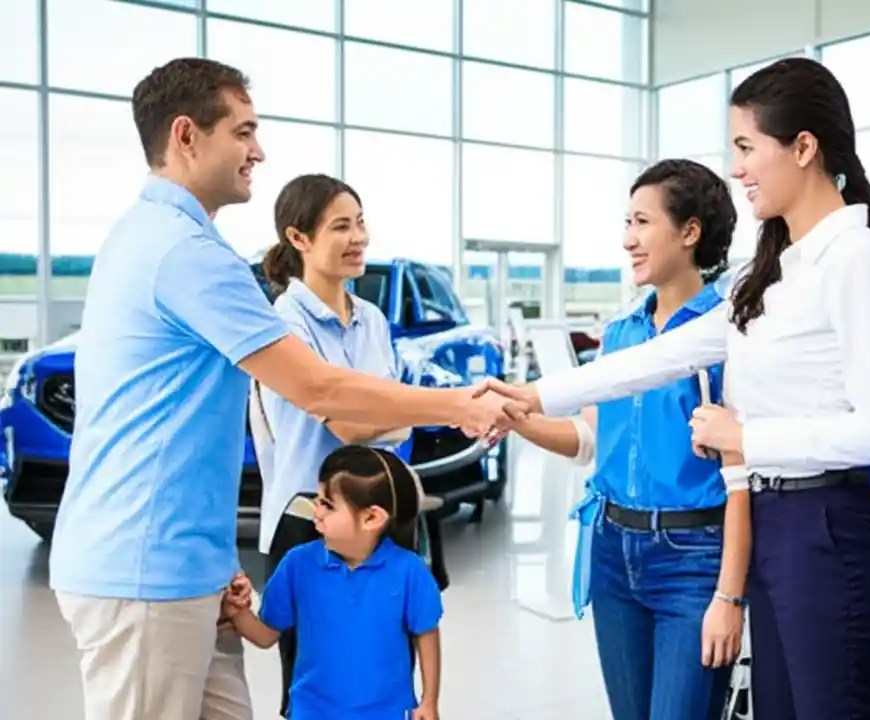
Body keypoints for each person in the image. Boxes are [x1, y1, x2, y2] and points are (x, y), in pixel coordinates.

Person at [48, 57, 521, 720]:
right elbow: (322, 391)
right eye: (243, 133)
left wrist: (215, 564)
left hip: (188, 567)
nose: (257, 151)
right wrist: (458, 405)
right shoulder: (187, 254)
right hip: (143, 571)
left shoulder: (153, 237)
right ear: (187, 136)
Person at [477, 57, 870, 719]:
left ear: (803, 148)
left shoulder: (857, 260)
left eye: (745, 148)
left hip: (828, 529)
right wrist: (532, 396)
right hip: (777, 523)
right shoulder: (769, 274)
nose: (736, 169)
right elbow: (657, 359)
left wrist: (745, 437)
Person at [508, 159, 746, 720]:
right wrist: (515, 418)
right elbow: (588, 438)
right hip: (613, 550)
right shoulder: (620, 336)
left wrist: (729, 597)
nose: (627, 240)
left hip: (693, 560)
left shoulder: (729, 336)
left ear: (690, 233)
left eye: (641, 223)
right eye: (627, 222)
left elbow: (742, 480)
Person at [249, 172, 450, 717]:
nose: (359, 236)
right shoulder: (283, 323)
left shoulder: (373, 320)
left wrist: (390, 413)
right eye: (342, 225)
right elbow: (351, 428)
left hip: (378, 521)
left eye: (360, 223)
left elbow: (386, 418)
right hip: (307, 523)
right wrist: (397, 412)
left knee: (383, 679)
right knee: (314, 688)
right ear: (299, 239)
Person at [222, 446, 443, 720]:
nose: (316, 510)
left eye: (327, 504)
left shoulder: (409, 571)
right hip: (312, 712)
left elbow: (426, 634)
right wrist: (237, 612)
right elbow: (266, 635)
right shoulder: (296, 565)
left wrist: (429, 702)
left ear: (372, 518)